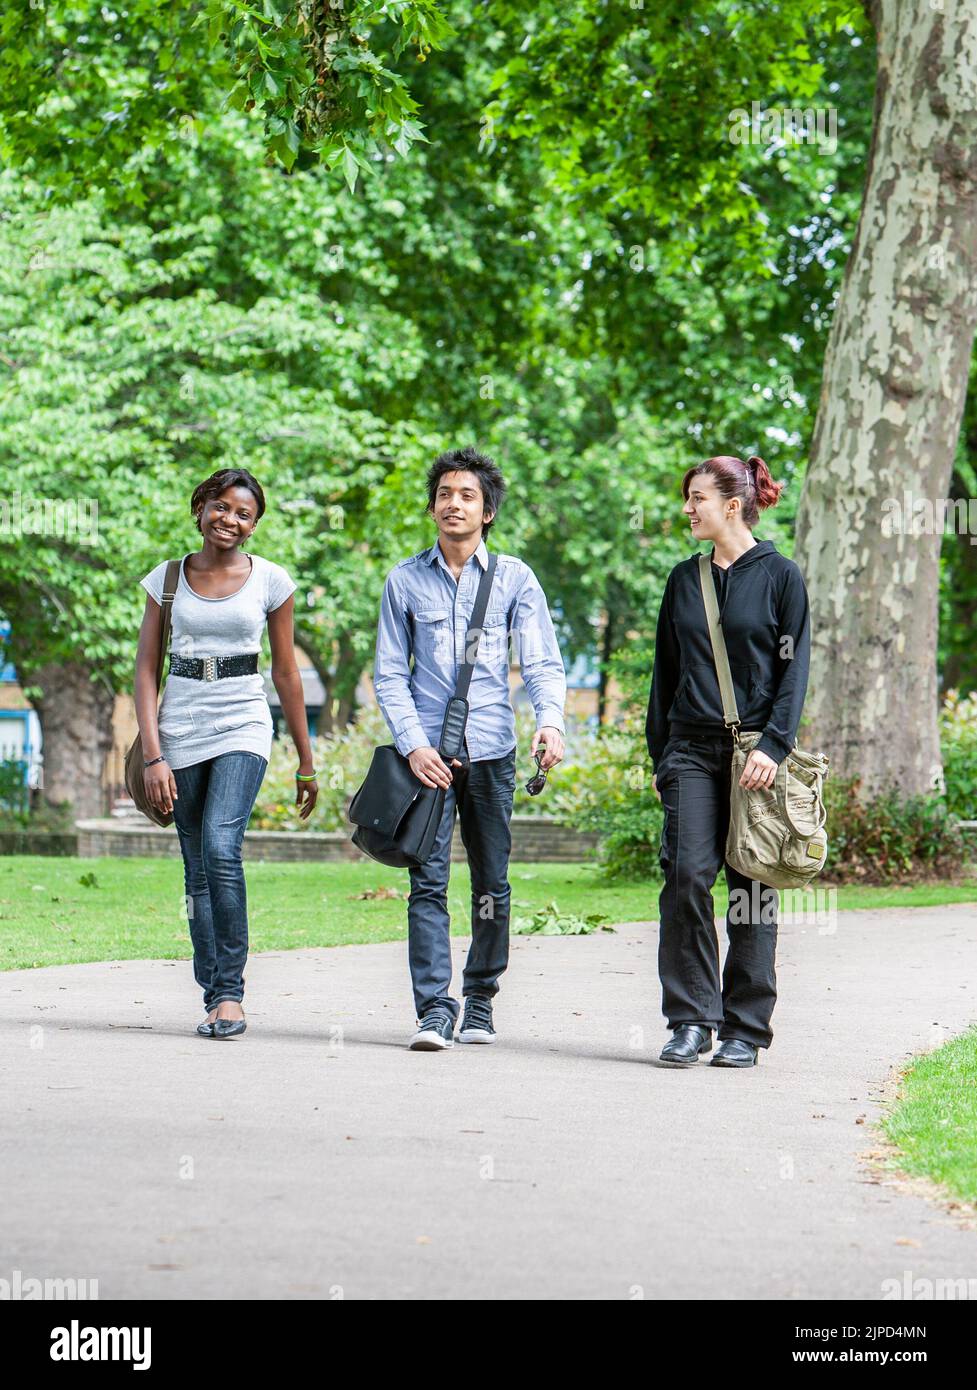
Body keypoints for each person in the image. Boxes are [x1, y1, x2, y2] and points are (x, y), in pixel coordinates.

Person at [373, 445, 567, 1050]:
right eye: (444, 494)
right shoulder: (404, 581)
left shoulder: (515, 579)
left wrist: (551, 721)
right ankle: (434, 1009)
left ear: (486, 512)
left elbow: (540, 660)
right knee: (426, 882)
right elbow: (388, 674)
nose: (453, 504)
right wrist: (412, 745)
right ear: (432, 507)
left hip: (490, 752)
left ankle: (479, 999)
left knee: (491, 881)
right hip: (426, 761)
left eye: (467, 496)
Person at [134, 469, 318, 1038]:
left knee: (219, 844)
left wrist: (307, 762)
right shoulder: (167, 578)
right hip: (180, 729)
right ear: (200, 507)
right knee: (195, 869)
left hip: (243, 723)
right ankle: (212, 992)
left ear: (254, 525)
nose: (229, 519)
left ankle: (232, 993)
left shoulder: (271, 580)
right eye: (220, 506)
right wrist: (153, 757)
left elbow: (287, 672)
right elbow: (144, 670)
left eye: (243, 513)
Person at [645, 454, 811, 1068]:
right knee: (686, 878)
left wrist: (774, 746)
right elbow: (665, 671)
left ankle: (745, 1027)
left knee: (752, 890)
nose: (687, 509)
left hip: (757, 756)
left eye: (697, 499)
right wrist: (660, 754)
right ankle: (690, 1019)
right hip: (690, 747)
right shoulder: (683, 580)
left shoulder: (781, 577)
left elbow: (795, 672)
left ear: (732, 505)